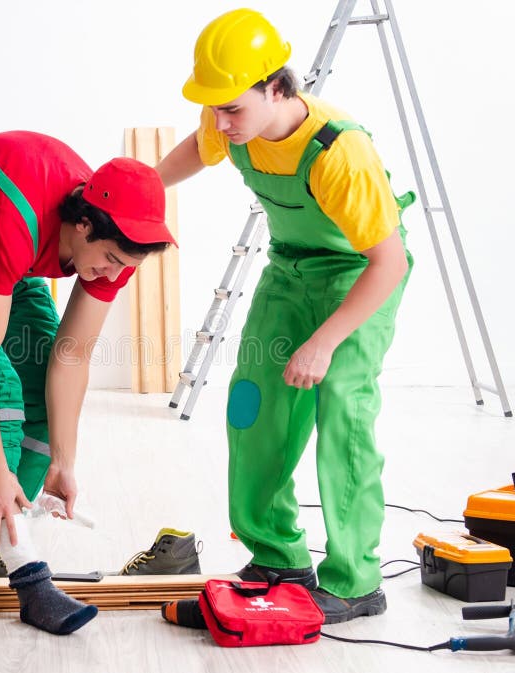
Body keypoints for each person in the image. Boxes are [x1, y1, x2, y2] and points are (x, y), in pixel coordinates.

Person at [156, 8, 414, 624]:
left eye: (232, 110)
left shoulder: (338, 152)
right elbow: (200, 146)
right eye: (214, 108)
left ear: (278, 87)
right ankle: (277, 555)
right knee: (253, 406)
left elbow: (390, 263)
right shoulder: (229, 115)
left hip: (357, 278)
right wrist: (145, 189)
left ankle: (355, 582)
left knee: (343, 413)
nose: (220, 122)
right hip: (288, 271)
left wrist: (325, 343)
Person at [0, 130, 176, 635]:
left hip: (7, 261)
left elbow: (72, 354)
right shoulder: (14, 217)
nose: (109, 275)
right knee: (1, 386)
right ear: (83, 223)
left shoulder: (115, 248)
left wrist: (63, 460)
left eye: (122, 268)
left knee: (38, 391)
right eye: (108, 259)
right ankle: (29, 577)